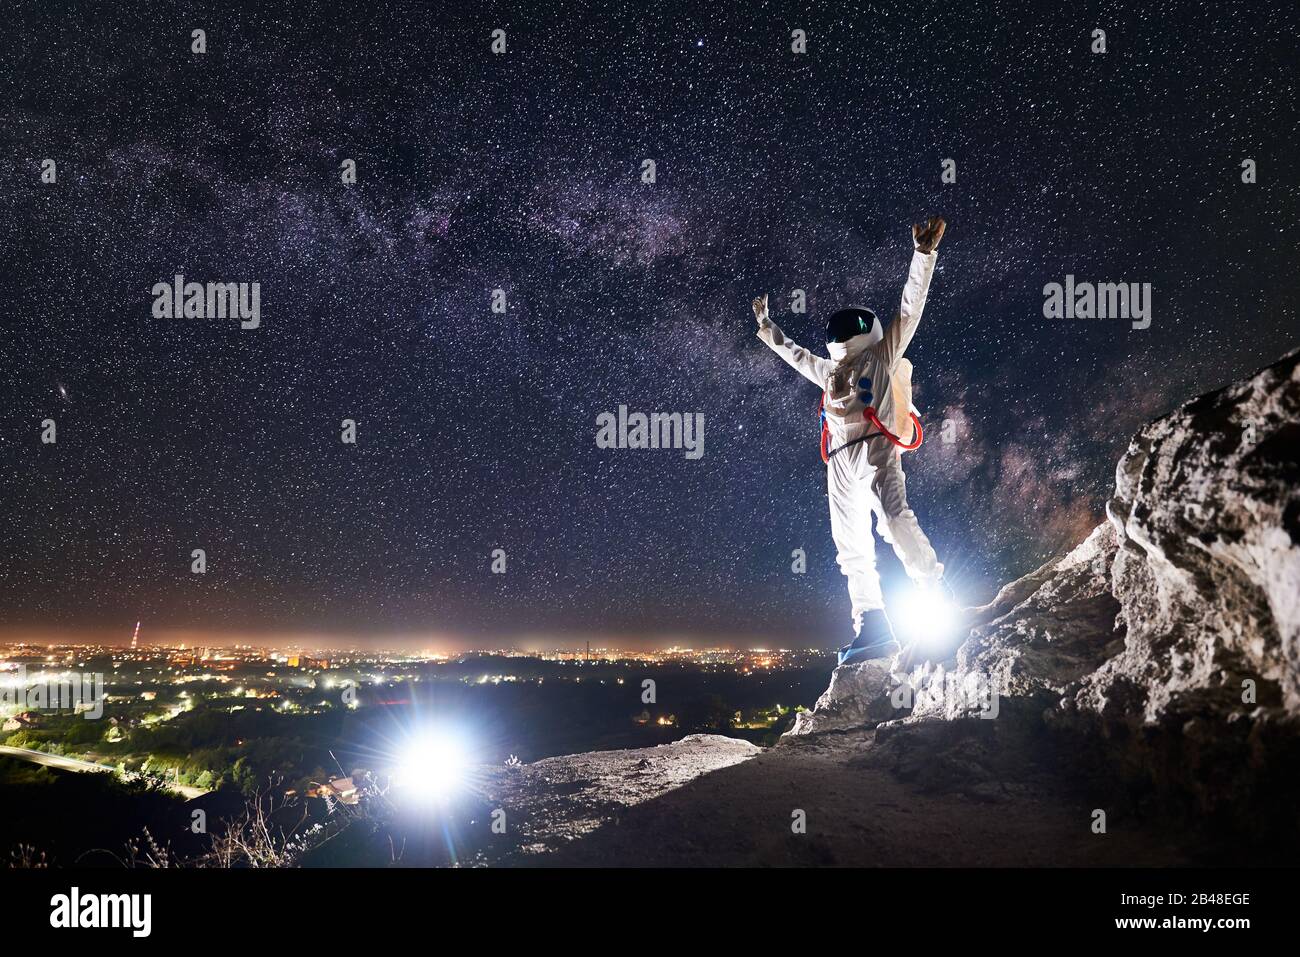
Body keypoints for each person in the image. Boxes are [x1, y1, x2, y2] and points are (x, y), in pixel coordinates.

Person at [754, 216, 949, 666]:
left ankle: (936, 592)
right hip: (839, 463)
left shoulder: (882, 354)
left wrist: (923, 256)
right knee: (851, 545)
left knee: (895, 520)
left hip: (876, 448)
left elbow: (909, 311)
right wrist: (767, 327)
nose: (843, 333)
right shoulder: (829, 371)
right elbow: (796, 355)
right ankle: (872, 623)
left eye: (851, 327)